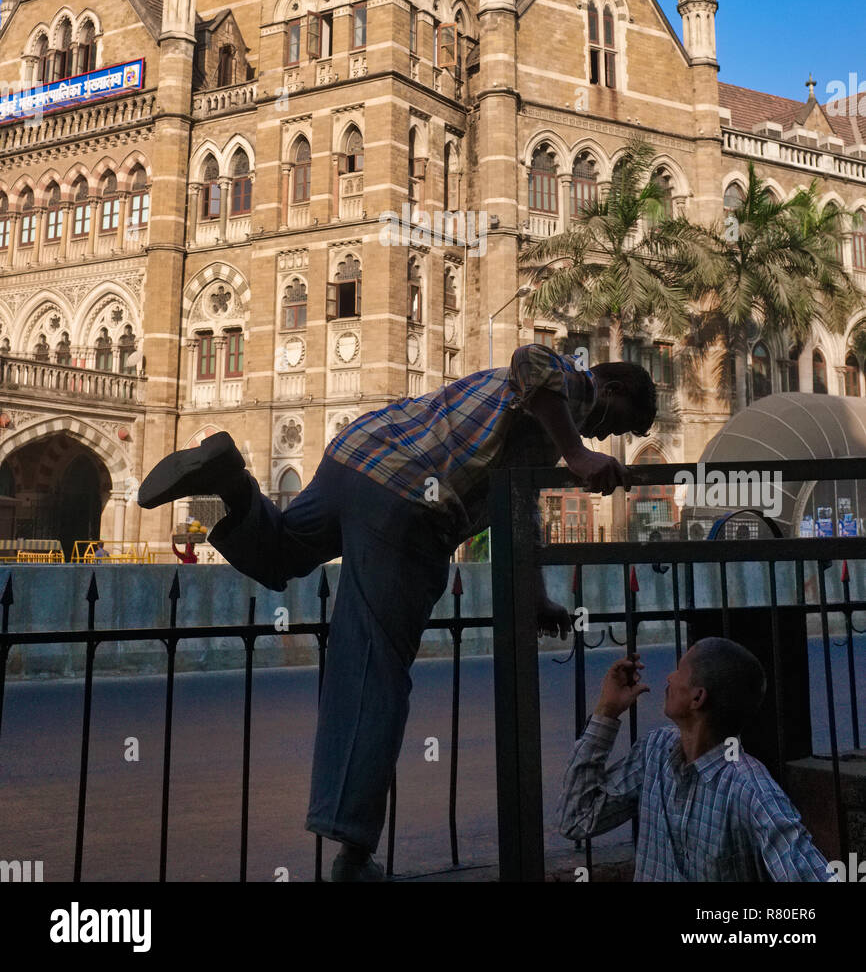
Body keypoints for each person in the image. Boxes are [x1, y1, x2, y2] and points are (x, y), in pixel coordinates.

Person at [138, 343, 655, 882]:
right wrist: (577, 454)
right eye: (625, 422)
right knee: (373, 670)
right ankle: (354, 856)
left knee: (281, 553)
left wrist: (537, 595)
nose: (610, 437)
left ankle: (230, 481)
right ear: (611, 390)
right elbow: (532, 360)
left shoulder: (541, 428)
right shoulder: (572, 387)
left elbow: (516, 507)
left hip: (356, 457)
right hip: (406, 497)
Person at [557, 640, 836, 882]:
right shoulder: (655, 752)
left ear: (697, 697)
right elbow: (578, 820)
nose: (669, 677)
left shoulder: (750, 788)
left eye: (679, 669)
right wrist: (607, 710)